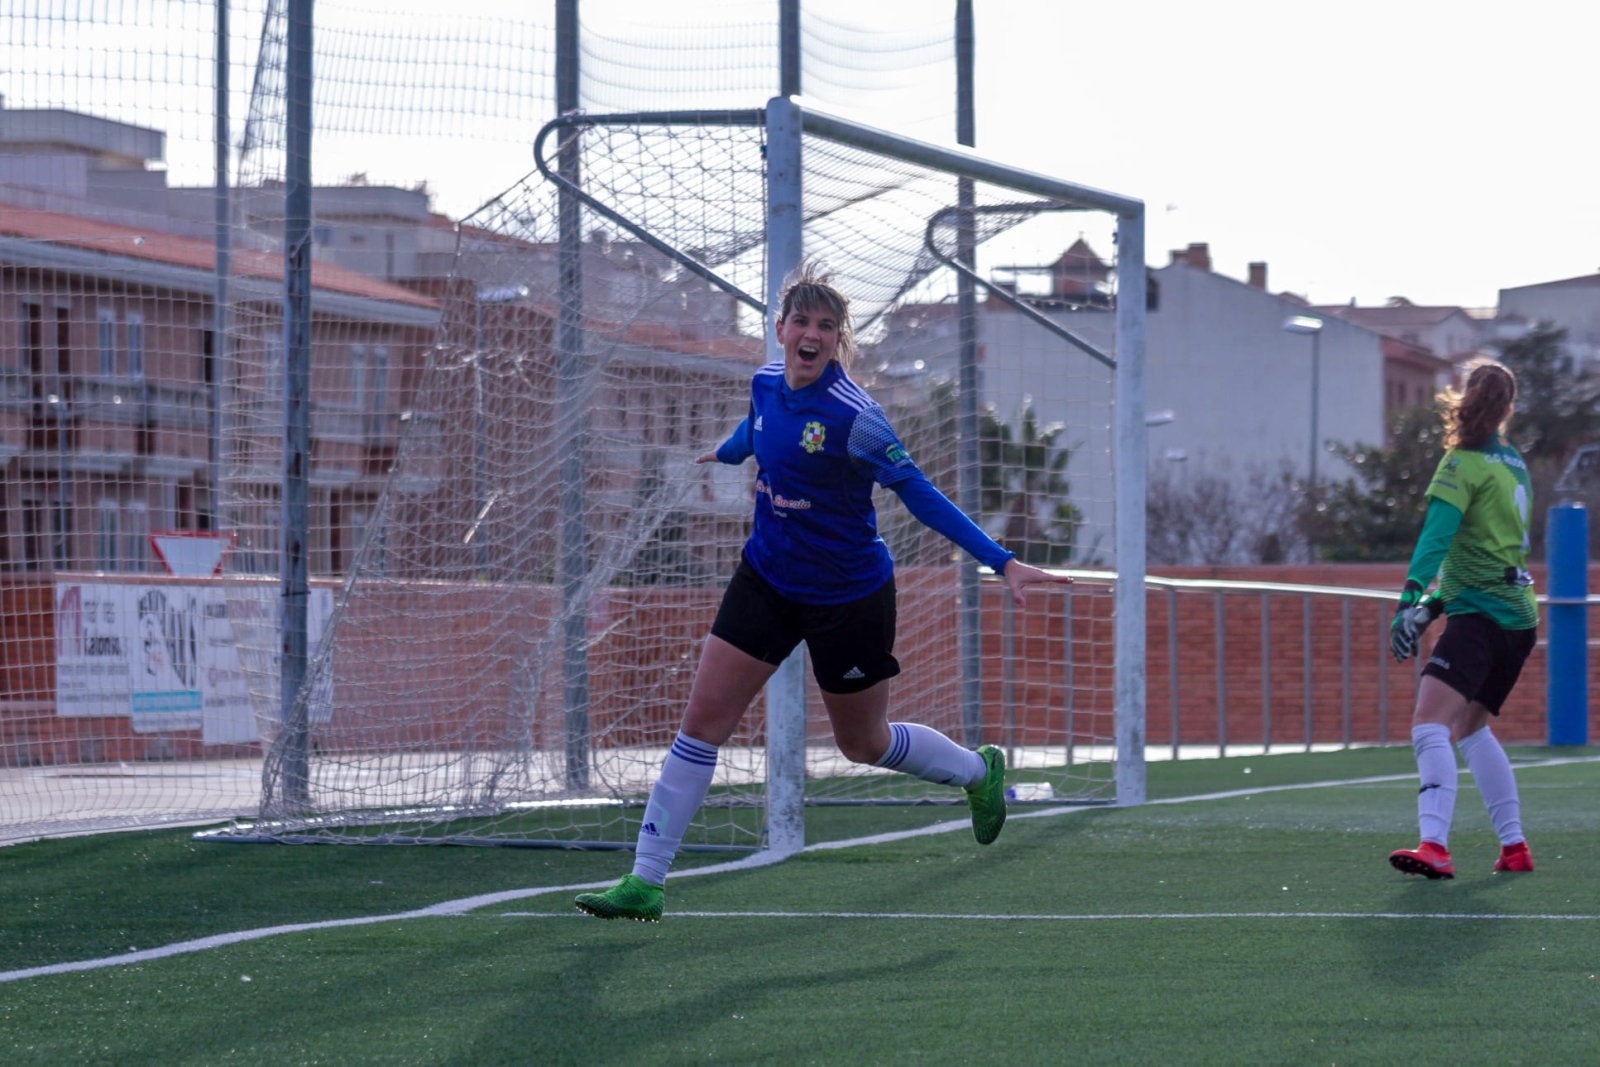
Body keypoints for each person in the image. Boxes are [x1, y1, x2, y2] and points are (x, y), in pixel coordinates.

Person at [576, 262, 1072, 921]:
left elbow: (920, 494)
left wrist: (1001, 560)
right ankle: (645, 880)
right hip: (767, 578)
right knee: (701, 723)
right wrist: (723, 453)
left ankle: (980, 772)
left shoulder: (857, 418)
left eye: (826, 325)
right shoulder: (763, 384)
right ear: (780, 329)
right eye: (802, 321)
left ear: (839, 340)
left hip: (849, 595)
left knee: (861, 744)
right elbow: (756, 432)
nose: (812, 333)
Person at [1387, 359, 1537, 880]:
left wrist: (1410, 599)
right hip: (1519, 619)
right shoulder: (1514, 463)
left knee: (1429, 723)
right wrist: (1432, 607)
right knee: (1472, 730)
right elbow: (1481, 556)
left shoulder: (1461, 463)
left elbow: (1437, 540)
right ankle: (1514, 846)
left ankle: (1435, 845)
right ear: (1507, 408)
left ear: (1462, 398)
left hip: (1482, 618)